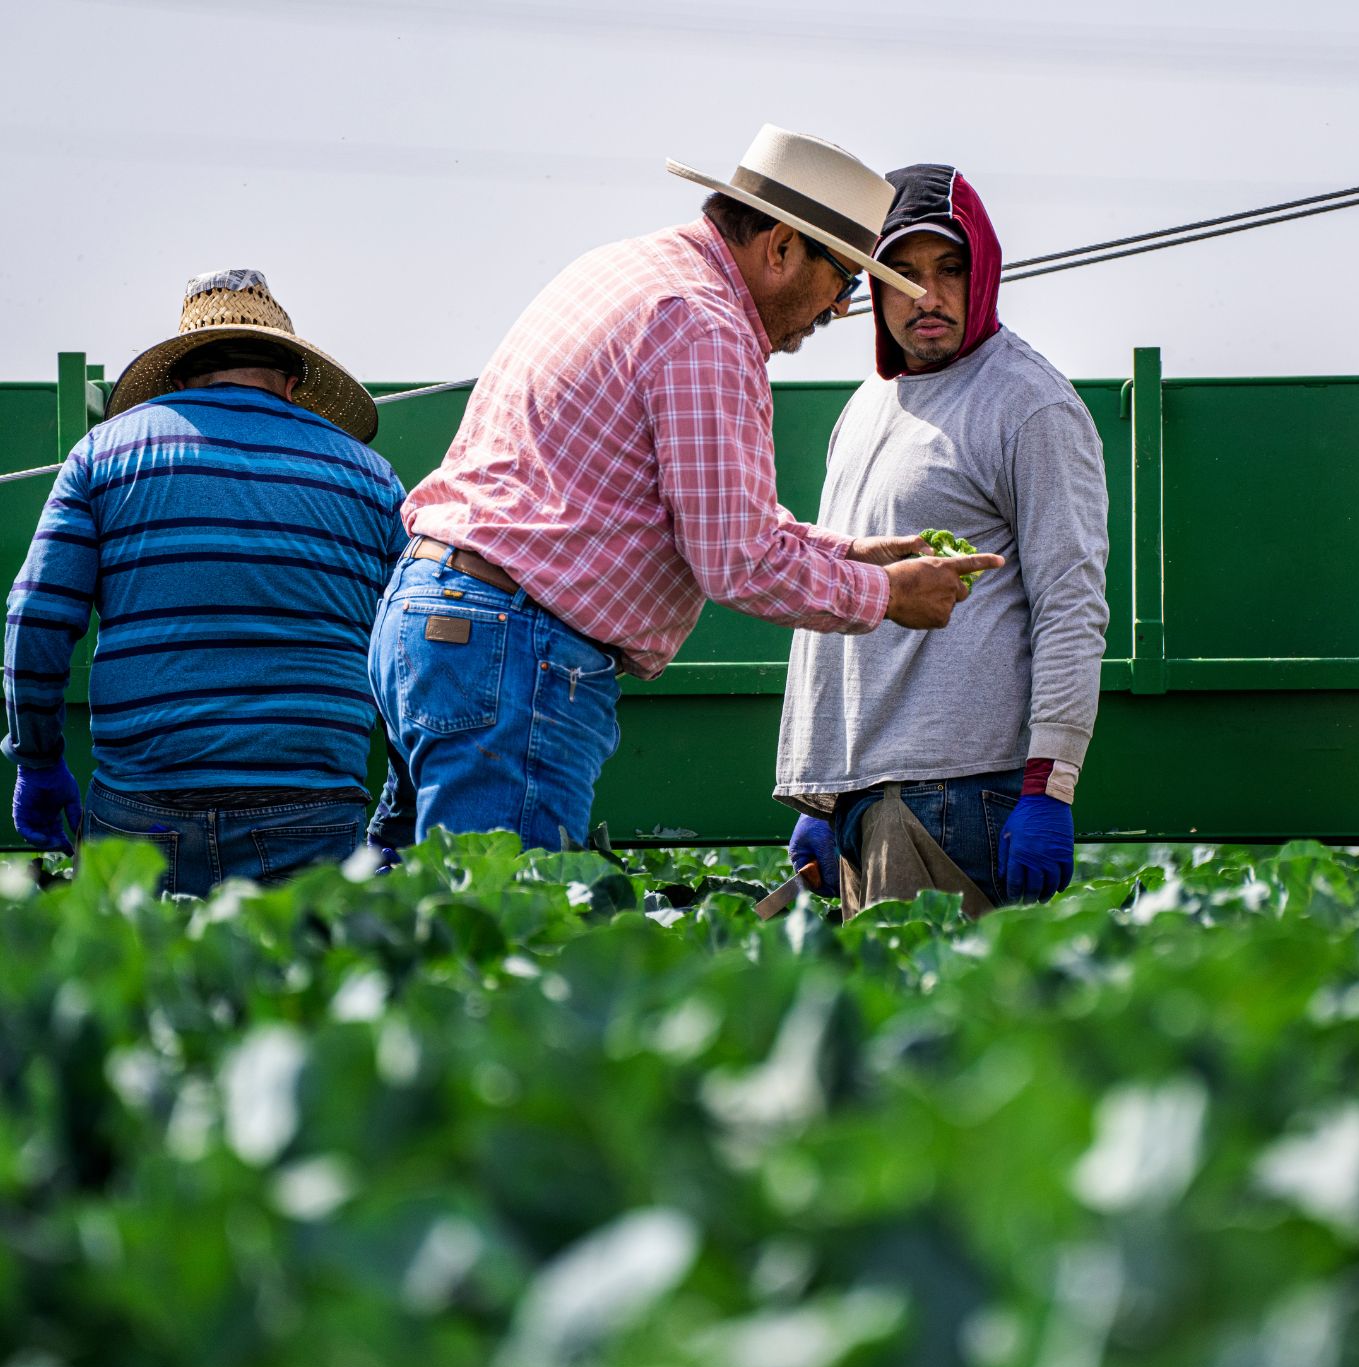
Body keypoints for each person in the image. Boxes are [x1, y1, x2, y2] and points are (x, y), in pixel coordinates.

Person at [374, 125, 999, 852]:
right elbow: (736, 560)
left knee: (413, 921)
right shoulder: (707, 326)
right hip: (514, 649)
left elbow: (724, 521)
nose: (838, 308)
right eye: (844, 278)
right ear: (781, 247)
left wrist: (857, 553)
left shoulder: (627, 269)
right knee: (503, 930)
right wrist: (889, 596)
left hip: (436, 617)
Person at [775, 164, 1110, 915]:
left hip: (960, 795)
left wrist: (1048, 786)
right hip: (870, 799)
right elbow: (840, 609)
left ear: (984, 270)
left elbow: (1071, 604)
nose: (927, 295)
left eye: (950, 269)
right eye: (901, 271)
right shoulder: (865, 407)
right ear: (870, 282)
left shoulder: (1029, 403)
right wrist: (825, 792)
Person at [4, 270, 407, 892]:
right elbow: (410, 653)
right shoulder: (373, 479)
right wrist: (398, 797)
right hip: (315, 806)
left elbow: (36, 621)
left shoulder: (103, 455)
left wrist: (38, 760)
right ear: (294, 380)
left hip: (141, 804)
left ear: (182, 377)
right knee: (307, 987)